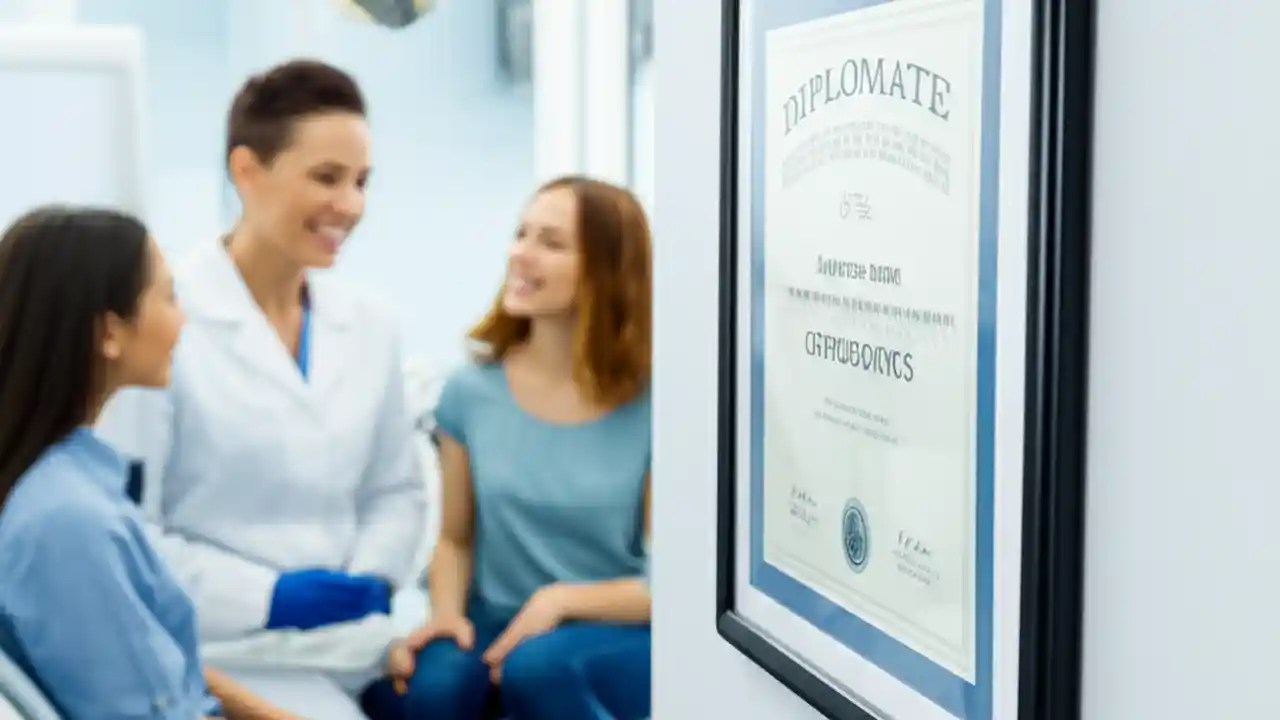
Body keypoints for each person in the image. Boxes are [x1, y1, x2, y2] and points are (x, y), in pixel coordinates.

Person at [96, 59, 427, 719]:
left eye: (362, 182)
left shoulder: (372, 323)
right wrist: (271, 596)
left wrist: (368, 579)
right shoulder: (161, 321)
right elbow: (132, 528)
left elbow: (398, 490)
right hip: (225, 647)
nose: (352, 205)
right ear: (247, 171)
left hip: (358, 639)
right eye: (327, 178)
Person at [366, 176, 654, 720]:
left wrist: (560, 600)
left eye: (550, 242)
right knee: (432, 697)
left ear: (606, 269)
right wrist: (446, 617)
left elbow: (668, 582)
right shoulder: (471, 392)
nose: (520, 254)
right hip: (494, 617)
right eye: (520, 234)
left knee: (538, 670)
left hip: (615, 628)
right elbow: (455, 539)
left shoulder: (657, 406)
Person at [0, 206, 303, 719]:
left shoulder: (68, 487)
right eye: (167, 297)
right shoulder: (68, 522)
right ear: (109, 333)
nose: (181, 319)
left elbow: (151, 663)